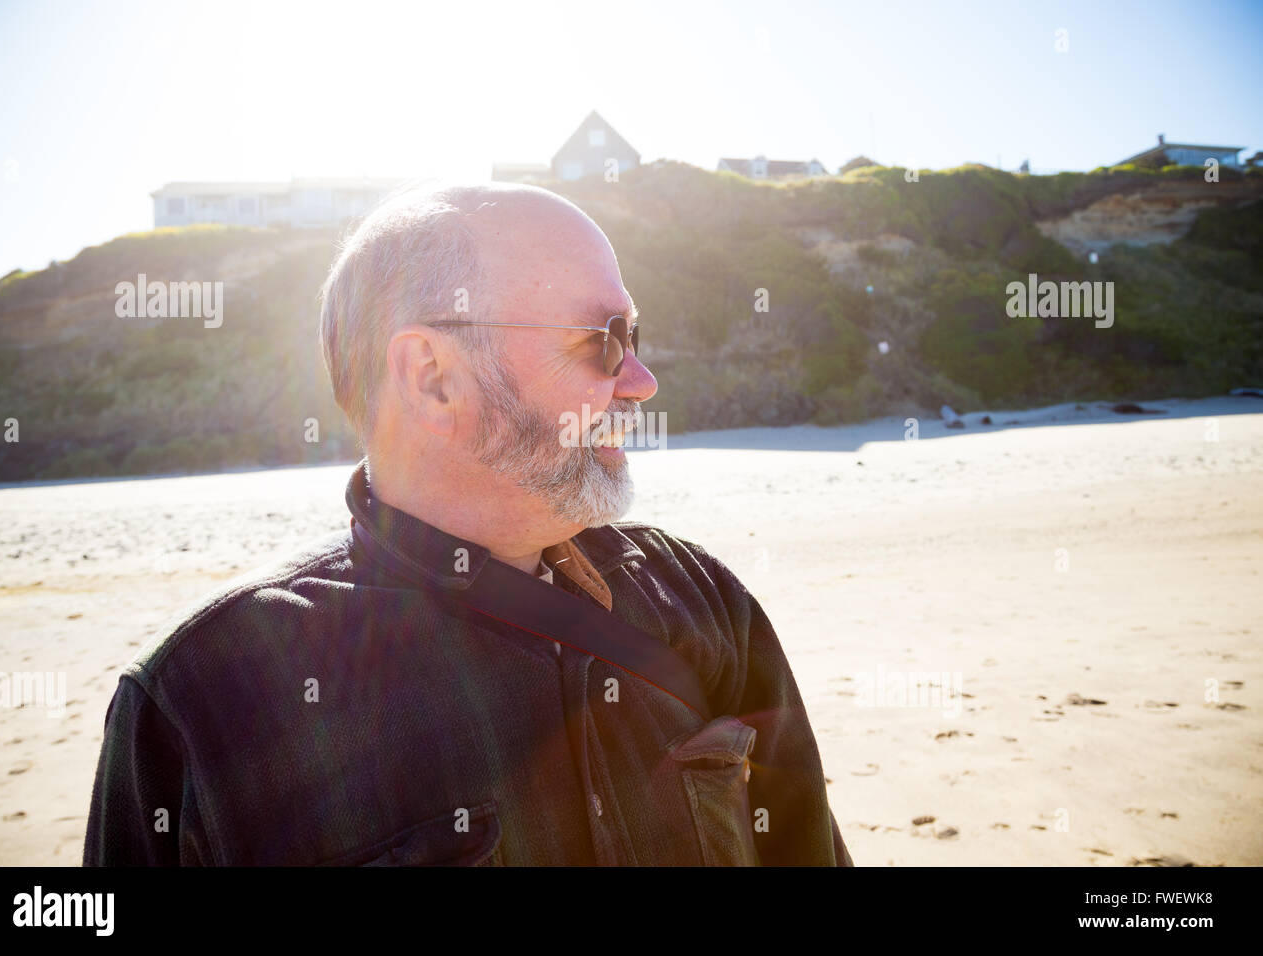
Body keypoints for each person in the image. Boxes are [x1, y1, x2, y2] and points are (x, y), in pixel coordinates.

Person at [83, 182, 852, 866]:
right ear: (433, 378)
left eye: (636, 338)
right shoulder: (205, 701)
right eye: (603, 340)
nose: (642, 381)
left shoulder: (703, 600)